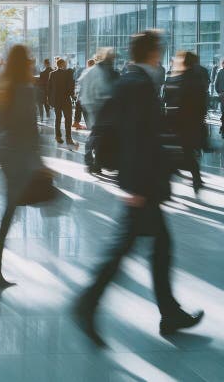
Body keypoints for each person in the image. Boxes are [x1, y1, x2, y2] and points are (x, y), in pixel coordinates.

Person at [75, 30, 203, 346]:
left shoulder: (133, 80)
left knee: (158, 247)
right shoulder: (137, 84)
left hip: (143, 183)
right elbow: (134, 138)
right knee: (125, 249)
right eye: (159, 49)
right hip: (142, 185)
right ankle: (87, 304)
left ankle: (169, 313)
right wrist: (135, 186)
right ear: (153, 53)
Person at [0, 45, 42, 289]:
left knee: (10, 209)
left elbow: (3, 123)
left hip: (6, 150)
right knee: (10, 210)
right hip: (19, 154)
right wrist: (39, 160)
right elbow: (29, 126)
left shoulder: (5, 85)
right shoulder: (25, 89)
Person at [164, 51, 206, 193]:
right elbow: (202, 103)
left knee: (179, 152)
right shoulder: (197, 78)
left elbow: (169, 99)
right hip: (191, 122)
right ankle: (196, 179)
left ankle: (170, 183)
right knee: (187, 151)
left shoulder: (177, 77)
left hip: (177, 121)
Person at [78, 48, 118, 172]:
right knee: (96, 134)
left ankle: (95, 161)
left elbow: (81, 84)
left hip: (95, 106)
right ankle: (91, 160)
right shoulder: (99, 71)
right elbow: (102, 89)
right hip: (97, 107)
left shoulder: (95, 70)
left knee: (97, 134)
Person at [48, 58, 76, 145]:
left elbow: (49, 88)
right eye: (65, 63)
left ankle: (58, 136)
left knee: (58, 118)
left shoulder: (52, 74)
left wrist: (50, 100)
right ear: (62, 64)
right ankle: (68, 138)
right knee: (68, 119)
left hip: (56, 100)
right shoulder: (67, 73)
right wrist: (73, 96)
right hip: (65, 99)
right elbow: (70, 86)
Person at [214, 58, 224, 136]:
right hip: (222, 94)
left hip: (222, 94)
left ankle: (222, 128)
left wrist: (219, 93)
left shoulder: (220, 72)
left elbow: (216, 84)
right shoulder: (220, 72)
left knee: (223, 111)